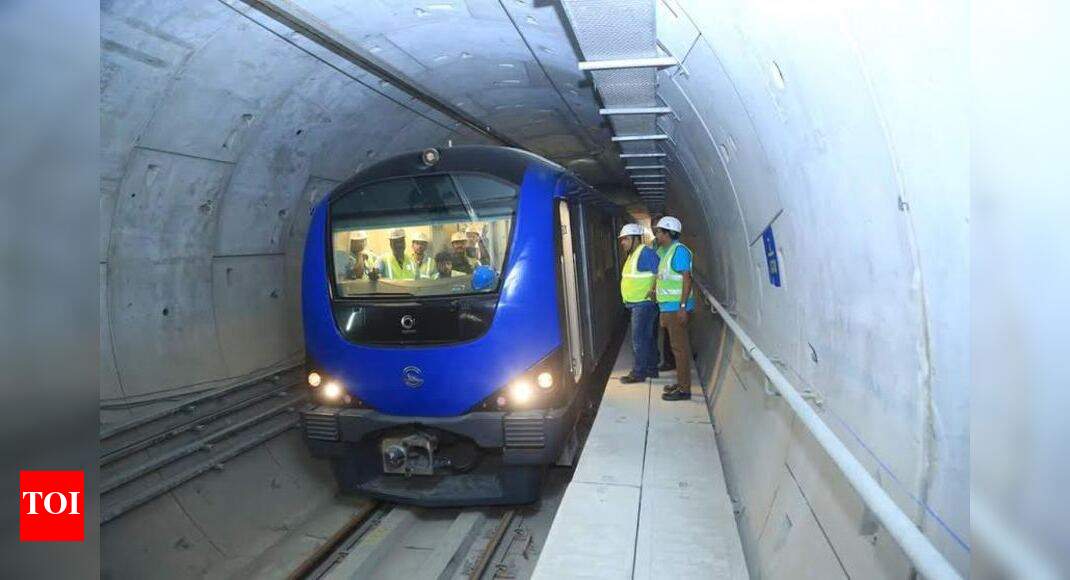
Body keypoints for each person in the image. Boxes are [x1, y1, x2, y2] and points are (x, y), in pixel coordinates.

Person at [653, 216, 696, 401]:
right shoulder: (666, 251)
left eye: (659, 232)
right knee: (675, 347)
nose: (656, 235)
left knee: (680, 349)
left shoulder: (679, 251)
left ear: (668, 233)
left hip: (675, 308)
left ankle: (684, 390)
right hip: (667, 307)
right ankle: (680, 383)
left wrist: (682, 307)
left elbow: (687, 279)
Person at [617, 224, 661, 384]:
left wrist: (655, 290)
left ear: (636, 239)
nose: (623, 243)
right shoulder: (633, 255)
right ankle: (651, 368)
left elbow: (660, 272)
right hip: (638, 303)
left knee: (639, 339)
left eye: (626, 239)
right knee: (647, 337)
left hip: (644, 304)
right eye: (622, 240)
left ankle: (639, 373)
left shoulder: (645, 253)